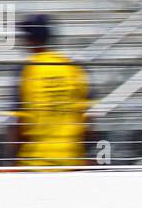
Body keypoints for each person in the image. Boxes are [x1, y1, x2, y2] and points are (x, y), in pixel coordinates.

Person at [10, 14, 90, 166]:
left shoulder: (26, 70)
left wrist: (13, 162)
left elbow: (18, 122)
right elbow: (87, 119)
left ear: (29, 40)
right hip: (71, 160)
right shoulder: (73, 68)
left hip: (37, 163)